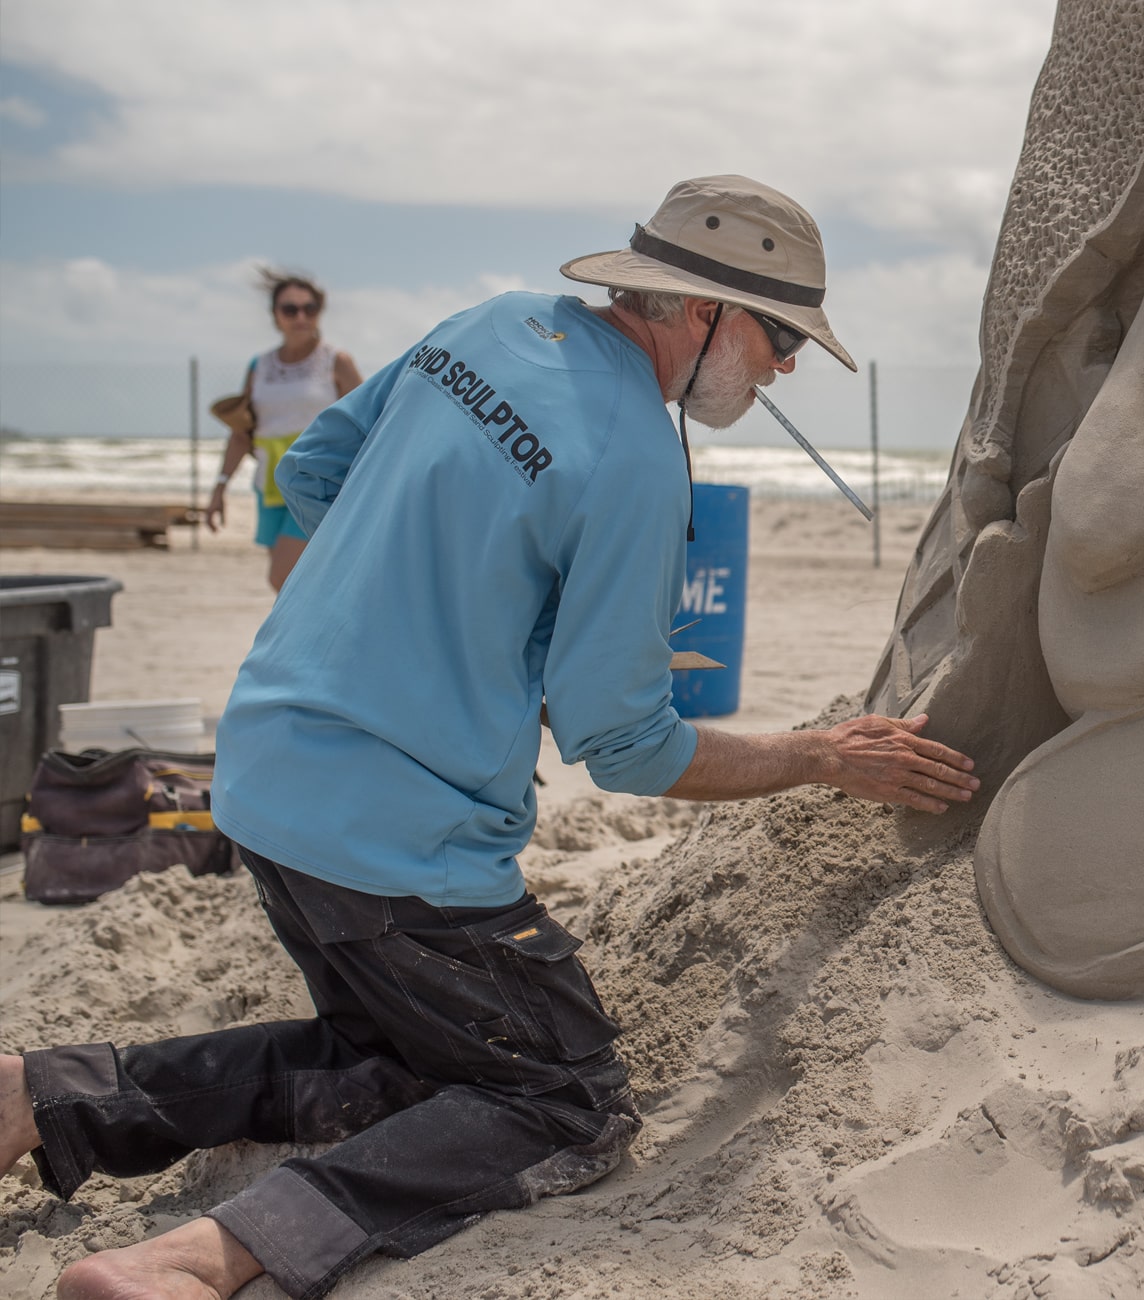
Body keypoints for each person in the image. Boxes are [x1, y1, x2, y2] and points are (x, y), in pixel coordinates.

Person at [0, 175, 980, 1300]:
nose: (786, 369)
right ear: (705, 310)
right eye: (779, 337)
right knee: (565, 1099)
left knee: (401, 1069)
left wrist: (450, 625)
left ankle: (44, 1095)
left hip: (266, 774)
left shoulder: (490, 322)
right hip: (392, 842)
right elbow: (630, 752)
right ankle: (198, 1256)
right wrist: (818, 755)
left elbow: (316, 476)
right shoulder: (636, 459)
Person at [205, 270, 363, 591]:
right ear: (275, 315)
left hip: (319, 480)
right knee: (292, 585)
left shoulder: (336, 361)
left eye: (310, 308)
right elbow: (242, 432)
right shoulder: (259, 366)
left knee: (282, 577)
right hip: (270, 481)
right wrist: (220, 487)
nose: (300, 316)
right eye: (290, 309)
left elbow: (368, 424)